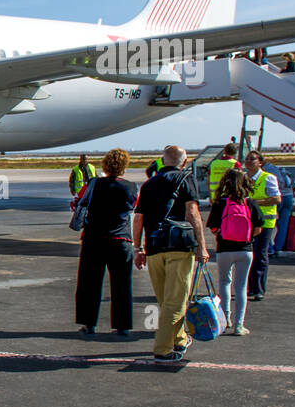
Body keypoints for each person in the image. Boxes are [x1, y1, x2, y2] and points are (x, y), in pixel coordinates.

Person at [132, 145, 209, 362]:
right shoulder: (186, 179)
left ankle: (180, 339)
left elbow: (138, 219)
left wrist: (138, 248)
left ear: (162, 161)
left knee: (166, 301)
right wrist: (201, 246)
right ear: (184, 162)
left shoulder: (149, 184)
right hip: (179, 246)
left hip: (155, 248)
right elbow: (192, 214)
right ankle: (163, 349)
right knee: (176, 301)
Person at [74, 148, 137, 337]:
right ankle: (122, 326)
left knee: (89, 283)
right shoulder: (131, 186)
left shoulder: (93, 184)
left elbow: (78, 202)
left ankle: (89, 323)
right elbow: (134, 205)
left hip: (94, 239)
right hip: (120, 239)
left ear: (105, 165)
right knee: (122, 284)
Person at [206, 168, 263, 336]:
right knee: (241, 287)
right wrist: (245, 236)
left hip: (224, 249)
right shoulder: (249, 202)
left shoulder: (220, 203)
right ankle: (239, 325)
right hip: (245, 249)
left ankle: (225, 319)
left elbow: (213, 227)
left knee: (224, 282)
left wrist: (223, 235)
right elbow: (258, 229)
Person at [243, 150, 280, 301]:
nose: (248, 162)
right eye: (247, 159)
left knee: (260, 254)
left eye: (252, 159)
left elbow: (276, 199)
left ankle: (258, 288)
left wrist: (255, 203)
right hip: (247, 222)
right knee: (248, 255)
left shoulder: (268, 178)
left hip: (264, 222)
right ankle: (250, 287)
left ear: (260, 162)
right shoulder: (243, 178)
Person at [262, 157, 295, 257]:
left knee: (268, 223)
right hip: (288, 196)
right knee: (282, 225)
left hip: (278, 197)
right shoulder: (278, 169)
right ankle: (278, 248)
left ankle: (269, 248)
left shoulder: (265, 171)